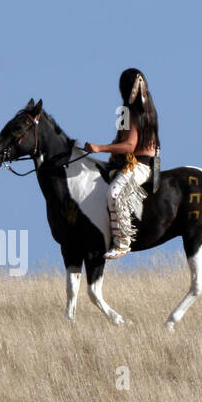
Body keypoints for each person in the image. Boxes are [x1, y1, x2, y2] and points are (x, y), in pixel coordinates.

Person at [83, 68, 161, 259]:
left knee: (115, 194)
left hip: (140, 165)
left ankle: (123, 242)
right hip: (143, 163)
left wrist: (99, 148)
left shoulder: (130, 111)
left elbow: (128, 145)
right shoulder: (146, 109)